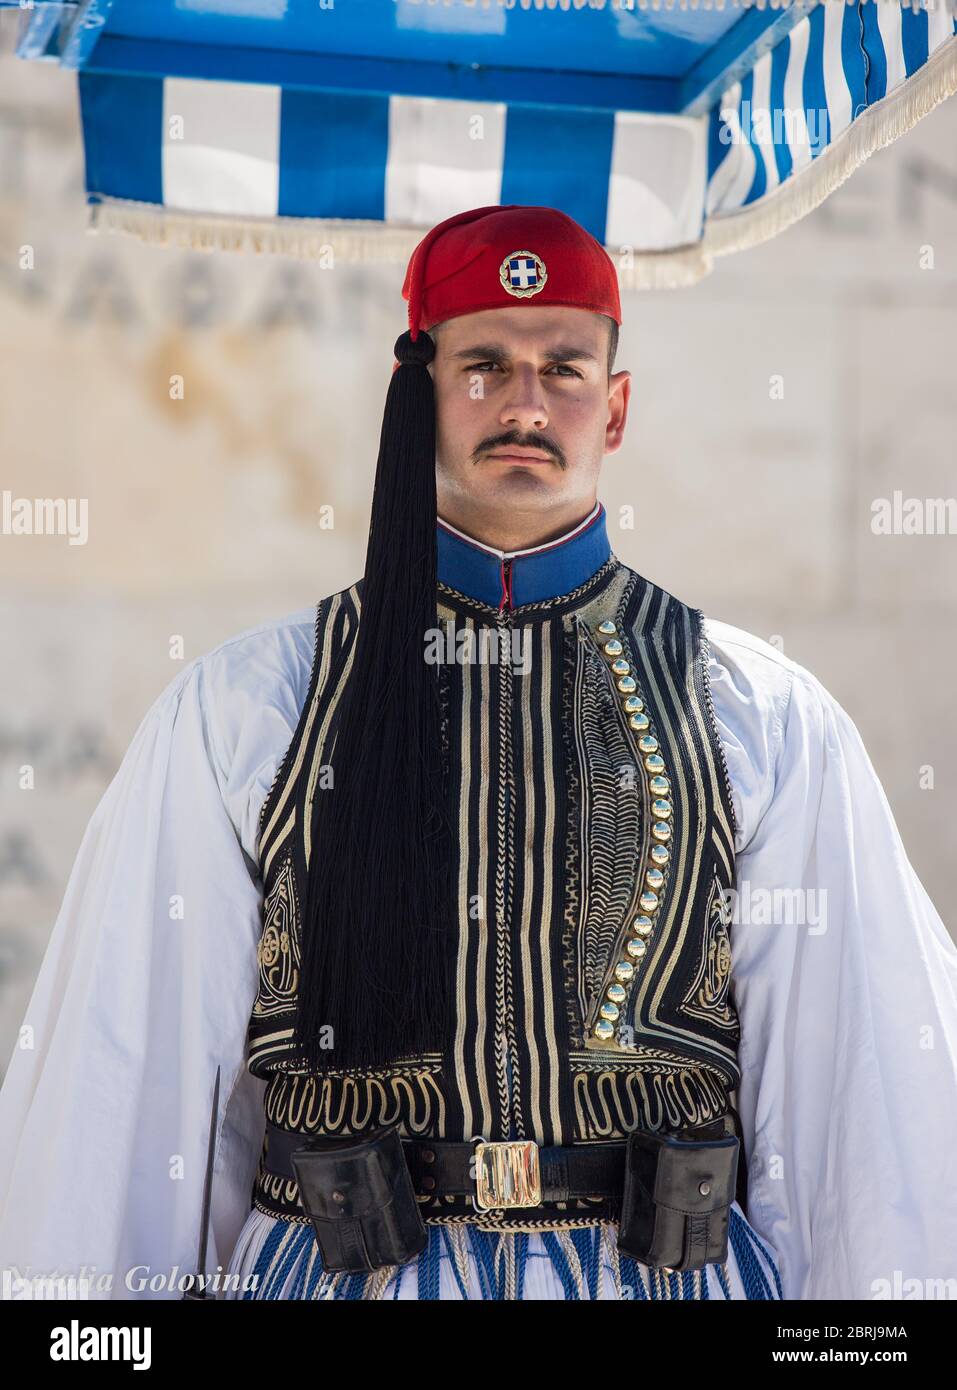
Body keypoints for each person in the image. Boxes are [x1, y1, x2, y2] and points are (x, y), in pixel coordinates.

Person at [1, 206, 955, 1303]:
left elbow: (858, 1094)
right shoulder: (246, 711)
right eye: (485, 364)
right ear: (419, 394)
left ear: (619, 403)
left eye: (565, 367)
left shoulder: (762, 719)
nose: (526, 403)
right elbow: (126, 1076)